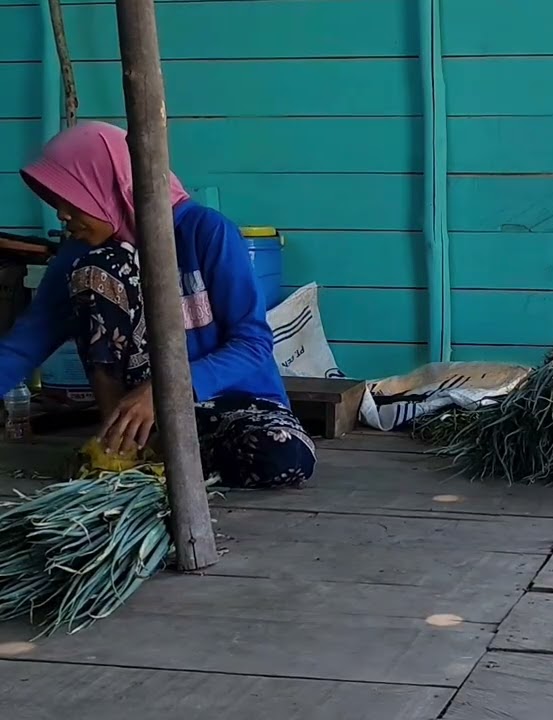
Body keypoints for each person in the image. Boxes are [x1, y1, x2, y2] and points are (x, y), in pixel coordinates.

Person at [0, 121, 316, 487]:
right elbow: (23, 347)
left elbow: (253, 344)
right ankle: (121, 446)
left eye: (70, 197)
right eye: (56, 202)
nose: (62, 214)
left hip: (231, 404)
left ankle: (164, 457)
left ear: (109, 184)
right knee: (95, 269)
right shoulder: (78, 257)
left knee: (284, 456)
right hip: (145, 419)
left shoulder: (206, 231)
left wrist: (167, 390)